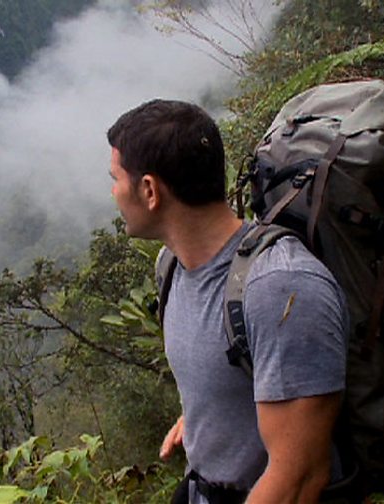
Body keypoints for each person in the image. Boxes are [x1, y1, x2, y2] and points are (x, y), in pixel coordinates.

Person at [106, 99, 349, 504]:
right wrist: (210, 419)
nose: (113, 193)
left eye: (114, 179)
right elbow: (233, 376)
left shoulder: (280, 288)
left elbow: (299, 478)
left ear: (149, 190)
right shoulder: (172, 266)